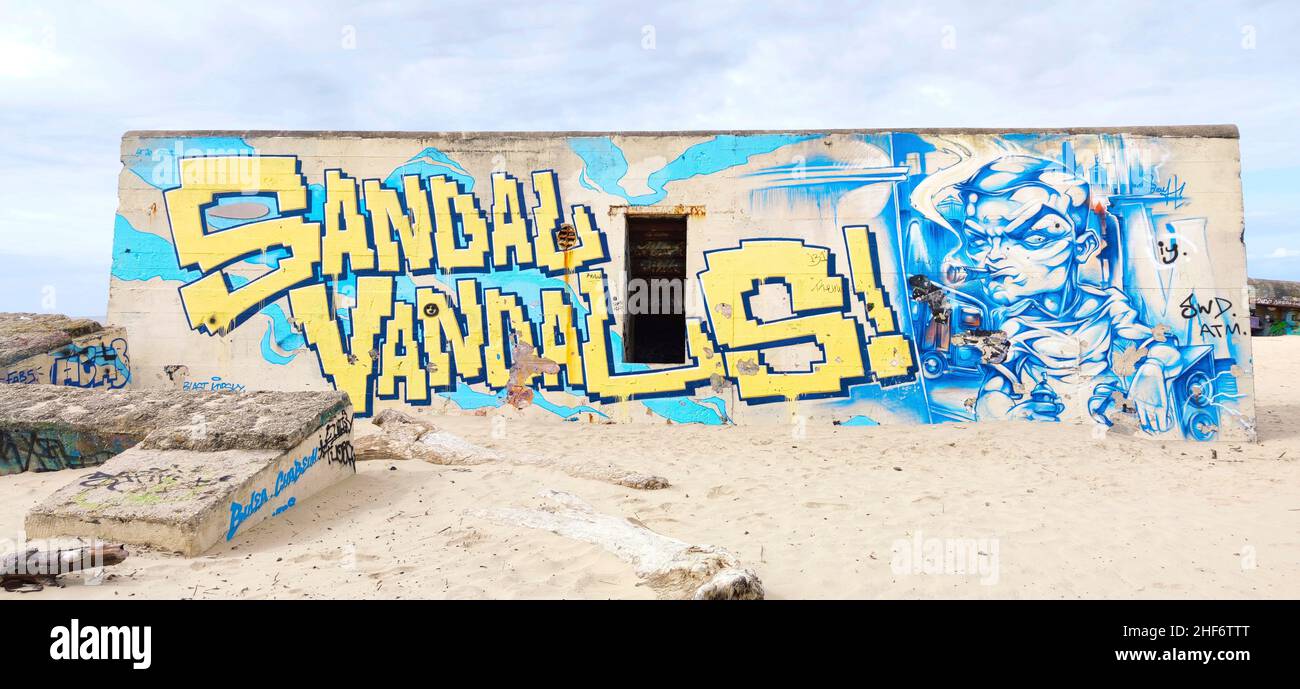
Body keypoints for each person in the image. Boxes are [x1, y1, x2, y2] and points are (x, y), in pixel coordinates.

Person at [945, 156, 1182, 433]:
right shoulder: (1015, 325)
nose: (995, 257)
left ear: (1082, 247)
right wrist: (1011, 416)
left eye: (1033, 238)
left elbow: (1162, 347)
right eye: (979, 240)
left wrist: (1152, 369)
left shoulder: (1106, 307)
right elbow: (991, 393)